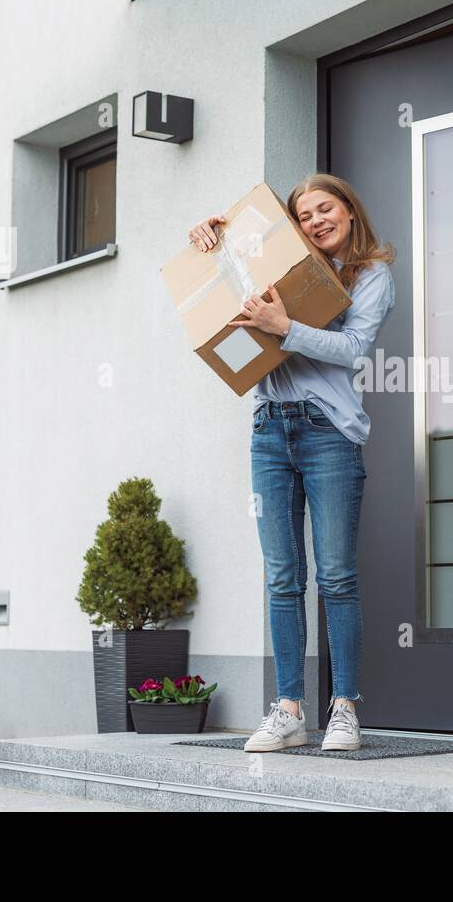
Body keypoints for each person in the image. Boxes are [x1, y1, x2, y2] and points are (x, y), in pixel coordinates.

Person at [187, 173, 396, 752]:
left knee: (336, 577)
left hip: (329, 433)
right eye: (302, 216)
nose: (315, 222)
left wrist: (287, 328)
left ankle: (346, 708)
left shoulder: (371, 275)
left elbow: (353, 348)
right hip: (268, 431)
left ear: (349, 211)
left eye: (325, 209)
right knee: (282, 578)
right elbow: (221, 273)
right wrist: (210, 234)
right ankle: (288, 709)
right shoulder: (274, 271)